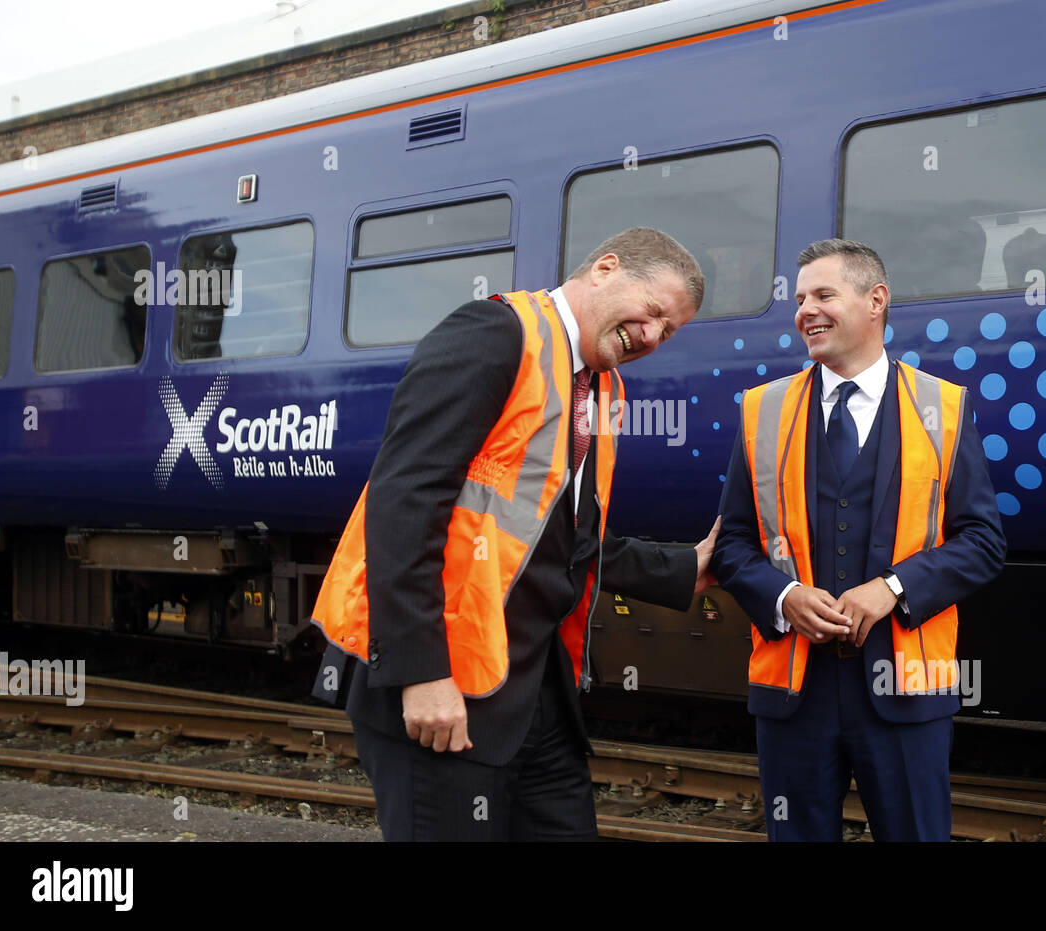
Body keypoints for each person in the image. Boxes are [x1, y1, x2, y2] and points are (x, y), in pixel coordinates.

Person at [312, 227, 718, 841]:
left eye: (671, 330)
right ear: (605, 268)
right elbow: (402, 502)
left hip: (533, 692)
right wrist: (422, 673)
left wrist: (684, 567)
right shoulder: (495, 334)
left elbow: (560, 541)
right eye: (655, 311)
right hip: (443, 687)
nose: (654, 336)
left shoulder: (600, 388)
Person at [711, 239, 1005, 842]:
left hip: (905, 686)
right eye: (799, 300)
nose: (805, 312)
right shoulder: (761, 410)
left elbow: (981, 541)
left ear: (876, 301)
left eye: (823, 295)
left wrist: (893, 589)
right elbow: (733, 543)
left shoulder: (944, 408)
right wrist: (784, 595)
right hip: (795, 691)